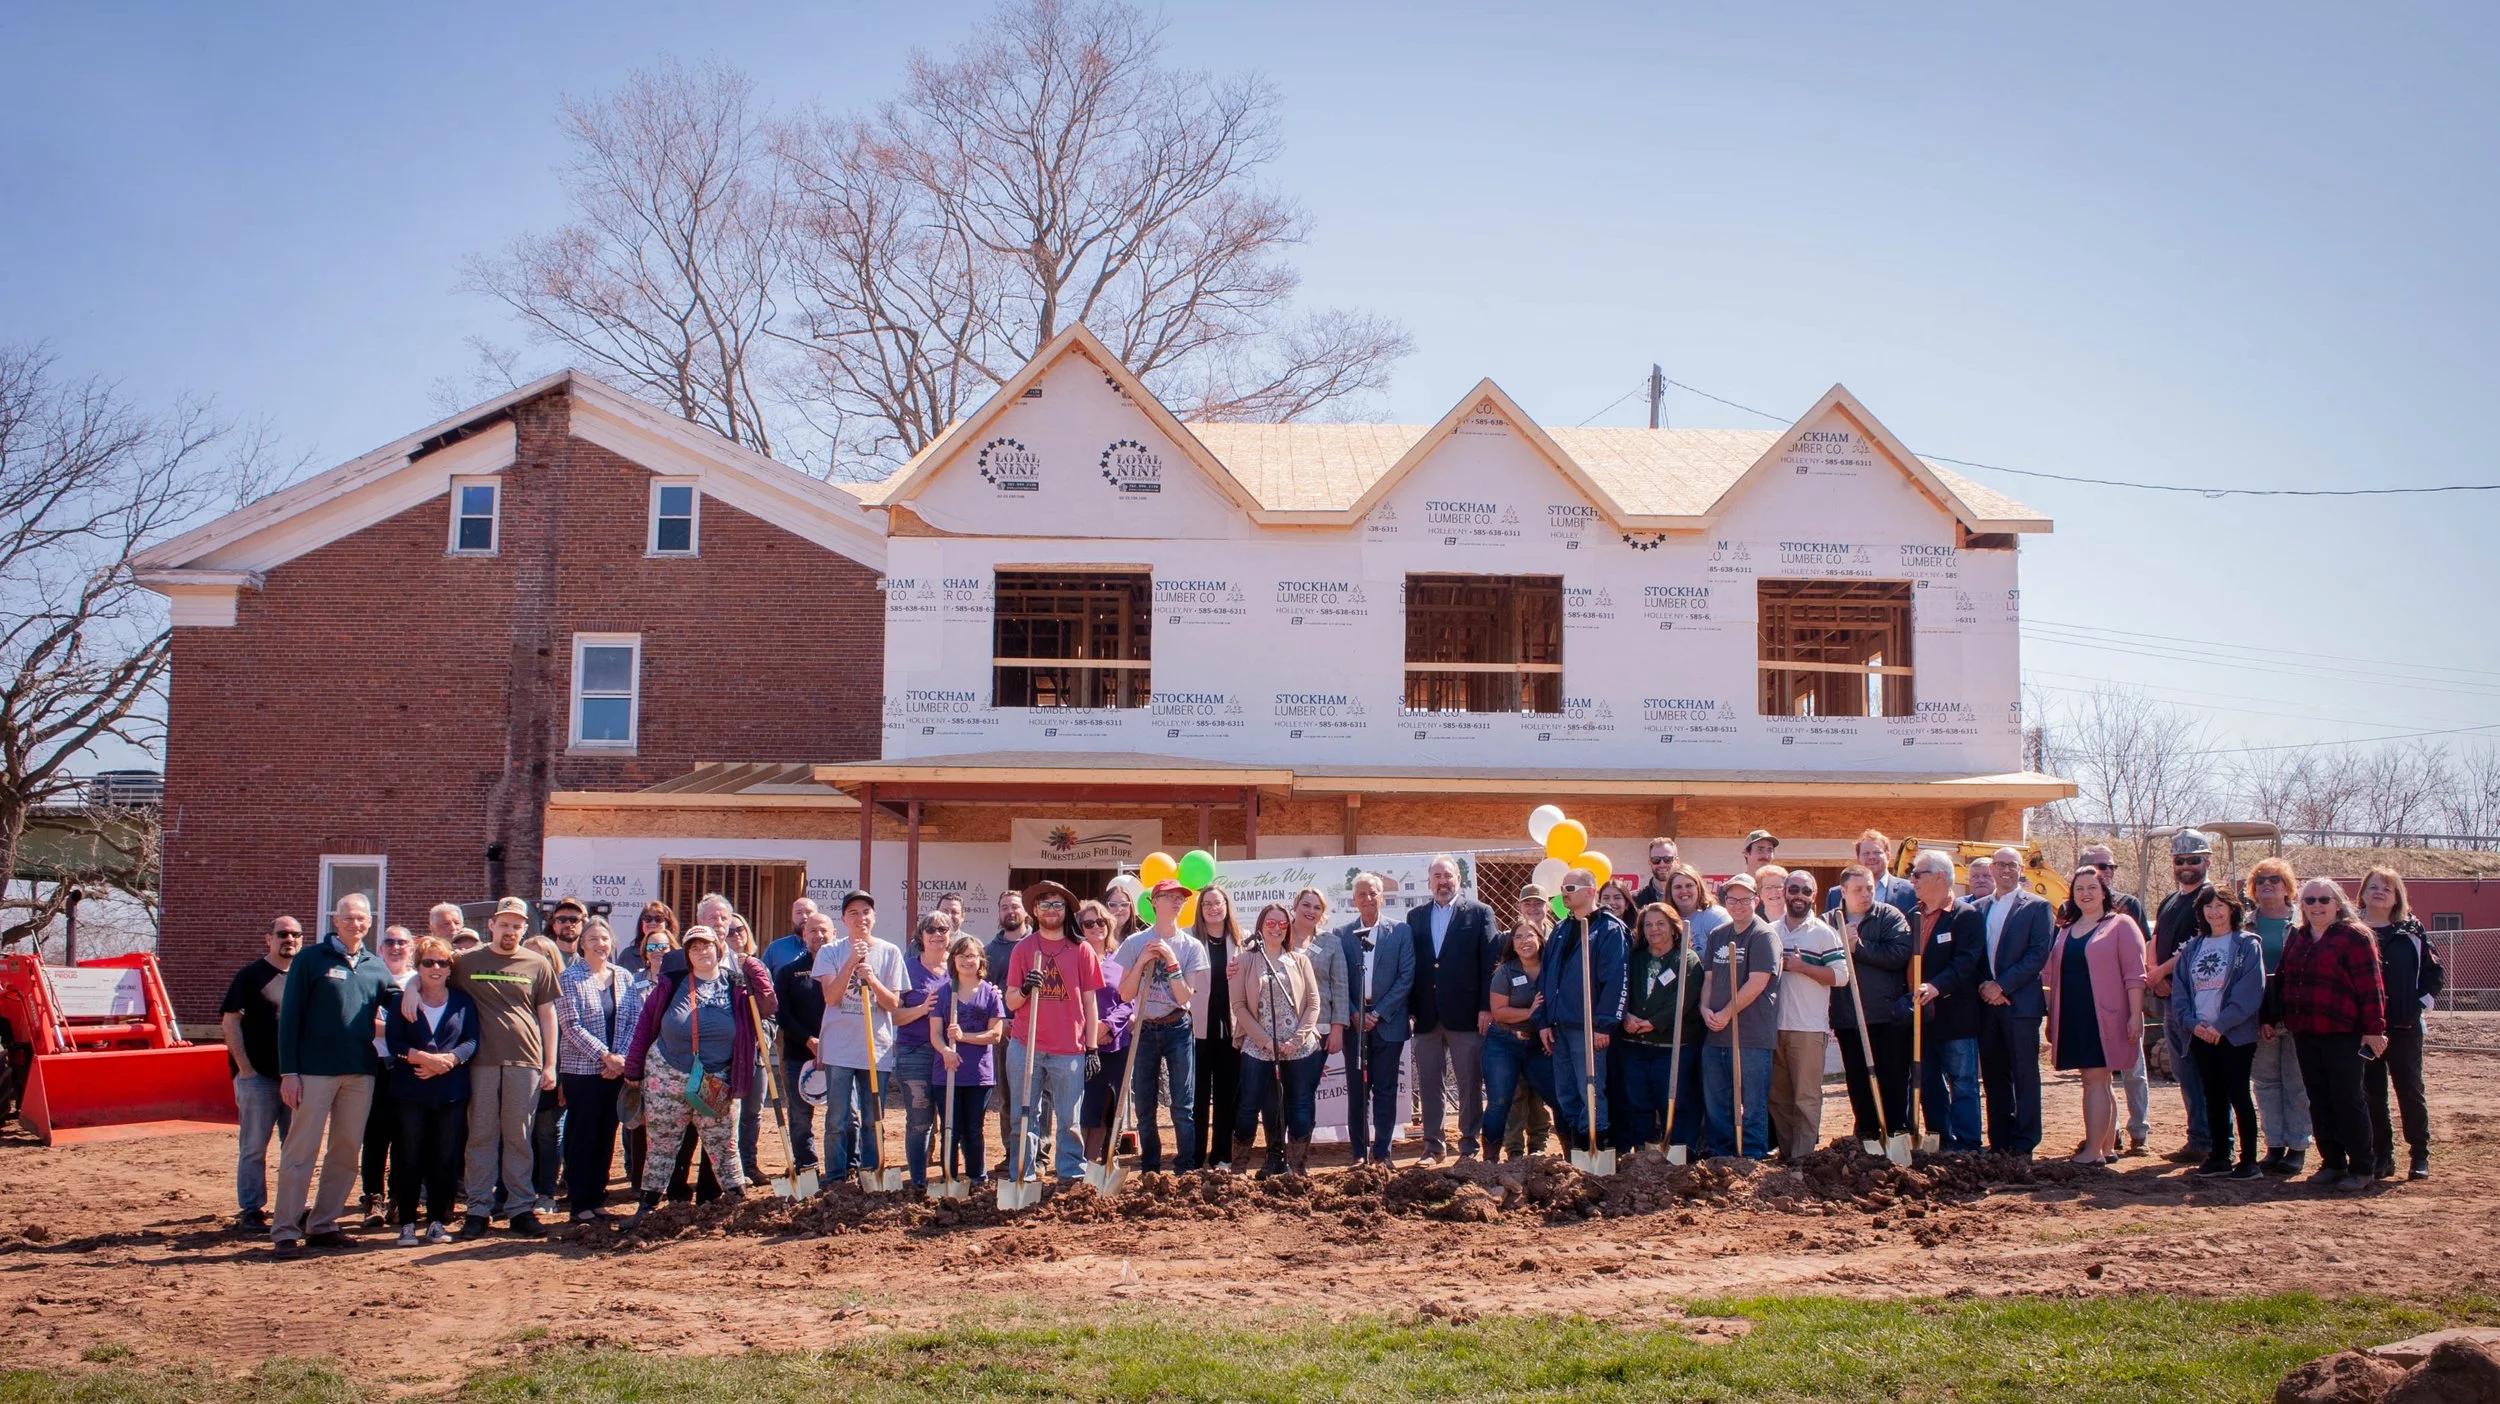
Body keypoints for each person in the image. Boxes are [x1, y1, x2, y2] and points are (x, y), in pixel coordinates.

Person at [269, 893, 391, 1257]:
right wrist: (289, 1071)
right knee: (301, 1151)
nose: (357, 924)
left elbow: (400, 1002)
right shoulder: (310, 960)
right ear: (335, 921)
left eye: (363, 918)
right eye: (349, 918)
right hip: (313, 1073)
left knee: (346, 1150)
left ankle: (323, 1225)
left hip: (359, 1073)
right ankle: (286, 1229)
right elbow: (289, 1018)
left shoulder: (375, 965)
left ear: (371, 922)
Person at [623, 926, 762, 1220]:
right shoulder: (671, 984)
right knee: (661, 1144)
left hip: (716, 1081)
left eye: (707, 946)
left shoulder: (736, 985)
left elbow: (769, 1006)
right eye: (694, 948)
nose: (702, 952)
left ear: (718, 948)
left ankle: (739, 1207)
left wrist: (755, 968)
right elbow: (645, 1027)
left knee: (725, 1145)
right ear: (686, 954)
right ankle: (647, 1207)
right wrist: (633, 1068)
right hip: (667, 1076)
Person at [448, 896, 560, 1238]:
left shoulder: (537, 963)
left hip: (525, 1061)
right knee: (481, 1136)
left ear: (525, 928)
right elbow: (429, 974)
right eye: (504, 924)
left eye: (516, 925)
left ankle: (520, 1208)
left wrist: (550, 1064)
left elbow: (547, 1014)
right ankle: (479, 1209)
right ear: (491, 925)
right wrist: (409, 990)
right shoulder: (465, 962)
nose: (509, 930)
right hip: (479, 1062)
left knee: (518, 1138)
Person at [2282, 878, 2389, 1193]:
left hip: (2344, 1032)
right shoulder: (2299, 936)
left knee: (2348, 1100)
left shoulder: (2354, 936)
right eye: (2310, 900)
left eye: (2323, 900)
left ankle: (2361, 1166)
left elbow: (2371, 986)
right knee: (2319, 1100)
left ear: (2338, 904)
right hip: (2306, 1031)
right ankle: (2332, 1162)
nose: (2316, 906)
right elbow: (2285, 979)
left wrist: (2375, 1029)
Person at [2043, 865, 2148, 1168]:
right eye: (2079, 889)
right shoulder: (2066, 929)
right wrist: (2052, 1017)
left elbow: (2135, 975)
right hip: (2074, 1014)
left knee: (2094, 1081)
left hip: (2106, 1016)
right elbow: (2051, 975)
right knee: (2100, 1082)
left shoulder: (2122, 925)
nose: (2085, 894)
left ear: (2104, 892)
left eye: (2092, 888)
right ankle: (2105, 1147)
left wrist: (2135, 1015)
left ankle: (2092, 1151)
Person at [1003, 880, 1103, 1183]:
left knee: (1069, 1120)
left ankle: (1071, 1174)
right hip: (1025, 1046)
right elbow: (1010, 1000)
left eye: (1057, 904)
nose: (1051, 910)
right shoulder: (1023, 949)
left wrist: (1092, 1047)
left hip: (1068, 1049)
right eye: (1044, 904)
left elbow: (1090, 1001)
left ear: (1066, 910)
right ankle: (1023, 1174)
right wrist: (1024, 989)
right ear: (1034, 910)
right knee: (1023, 1117)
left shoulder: (1081, 950)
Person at [2165, 885, 2268, 1179]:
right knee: (2213, 1095)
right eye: (2208, 907)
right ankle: (2220, 1155)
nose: (2214, 912)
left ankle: (2249, 1161)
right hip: (2199, 1034)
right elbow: (2180, 992)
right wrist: (2191, 1023)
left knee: (2238, 1093)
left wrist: (2220, 1025)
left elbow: (2250, 992)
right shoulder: (2194, 948)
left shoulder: (2247, 945)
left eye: (2220, 905)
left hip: (2234, 1035)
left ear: (2233, 910)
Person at [382, 934, 478, 1244]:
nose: (435, 968)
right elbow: (394, 1041)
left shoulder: (463, 1001)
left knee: (445, 1156)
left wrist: (448, 1061)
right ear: (418, 966)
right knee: (409, 1155)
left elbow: (472, 1041)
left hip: (450, 1091)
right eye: (428, 962)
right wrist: (420, 1057)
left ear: (451, 968)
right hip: (410, 1091)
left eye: (442, 962)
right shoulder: (402, 1000)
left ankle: (437, 1220)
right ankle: (407, 1222)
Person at [1115, 878, 1208, 1172]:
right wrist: (1142, 961)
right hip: (1144, 1028)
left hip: (1177, 1026)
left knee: (1183, 1105)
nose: (1177, 902)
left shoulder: (1191, 946)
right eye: (1170, 897)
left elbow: (1184, 997)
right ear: (1154, 902)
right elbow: (1125, 993)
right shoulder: (1134, 943)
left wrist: (1170, 961)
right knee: (1144, 1106)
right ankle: (1151, 1168)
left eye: (1181, 897)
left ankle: (1185, 1168)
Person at [1406, 854, 1495, 1163]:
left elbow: (1489, 965)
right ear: (1429, 882)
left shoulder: (1480, 913)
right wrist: (1410, 1009)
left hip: (1467, 1015)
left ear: (1460, 879)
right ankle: (1433, 1145)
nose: (1443, 882)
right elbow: (1412, 967)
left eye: (1448, 876)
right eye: (1437, 877)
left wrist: (1486, 1007)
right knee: (1430, 1082)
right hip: (1427, 1016)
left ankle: (1469, 1145)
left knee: (1470, 1082)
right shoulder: (1415, 916)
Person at [812, 891, 905, 1180]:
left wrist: (872, 979)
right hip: (839, 1049)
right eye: (853, 912)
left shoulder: (890, 952)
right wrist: (852, 961)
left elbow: (892, 1004)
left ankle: (871, 1173)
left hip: (875, 1050)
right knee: (837, 1119)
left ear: (874, 917)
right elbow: (831, 997)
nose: (860, 918)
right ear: (843, 919)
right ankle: (837, 1176)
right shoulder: (831, 952)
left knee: (872, 1118)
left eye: (866, 911)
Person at [1538, 867, 1628, 1157]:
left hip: (1588, 1027)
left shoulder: (1609, 929)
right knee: (1567, 1094)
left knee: (1590, 1091)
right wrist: (1543, 1020)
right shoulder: (1561, 930)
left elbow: (1616, 980)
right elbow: (1547, 977)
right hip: (1559, 1025)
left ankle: (1597, 1151)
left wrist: (1604, 1025)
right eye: (1563, 888)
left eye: (1571, 888)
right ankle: (1577, 1152)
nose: (1565, 893)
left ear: (1591, 892)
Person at [221, 915, 302, 1232]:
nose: (290, 939)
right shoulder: (250, 976)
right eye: (283, 934)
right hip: (259, 1079)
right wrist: (246, 1069)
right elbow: (230, 1022)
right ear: (268, 938)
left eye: (296, 934)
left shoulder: (303, 977)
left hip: (296, 1078)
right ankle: (252, 1209)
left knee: (295, 1146)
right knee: (254, 1146)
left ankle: (294, 1204)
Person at [2359, 867, 2441, 1181]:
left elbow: (2434, 973)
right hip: (2365, 1028)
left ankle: (2419, 1154)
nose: (2380, 892)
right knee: (2371, 1094)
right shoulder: (2352, 930)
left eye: (2387, 888)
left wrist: (2419, 1005)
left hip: (2404, 1028)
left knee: (2410, 1091)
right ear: (2363, 892)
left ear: (2397, 897)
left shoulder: (2411, 930)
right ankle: (2383, 1155)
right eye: (2374, 886)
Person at [1975, 846, 2055, 1162]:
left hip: (2020, 1004)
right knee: (1994, 1075)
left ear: (2020, 869)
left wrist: (2001, 985)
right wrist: (1985, 985)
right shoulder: (1979, 908)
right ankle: (2000, 1138)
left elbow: (2037, 954)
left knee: (2024, 1073)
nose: (2006, 870)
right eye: (2001, 865)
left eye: (2012, 865)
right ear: (1991, 869)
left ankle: (2025, 1139)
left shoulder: (2037, 907)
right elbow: (1975, 954)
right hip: (1987, 1004)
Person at [1232, 902, 1324, 1176]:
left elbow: (1313, 1003)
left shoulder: (1299, 960)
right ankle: (1238, 1170)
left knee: (1299, 1105)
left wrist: (1296, 1039)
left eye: (1282, 923)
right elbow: (1238, 1006)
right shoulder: (1245, 960)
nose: (1276, 928)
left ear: (1288, 928)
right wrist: (1263, 1041)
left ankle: (1296, 1169)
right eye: (1270, 922)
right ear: (1260, 926)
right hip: (1259, 1047)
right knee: (1249, 1106)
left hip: (1298, 1047)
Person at [554, 916, 634, 1221]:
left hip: (616, 1072)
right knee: (583, 1134)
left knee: (606, 1135)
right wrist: (606, 1057)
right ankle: (579, 1203)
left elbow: (633, 1022)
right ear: (581, 946)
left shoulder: (623, 977)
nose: (599, 944)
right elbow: (571, 1027)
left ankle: (598, 1198)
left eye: (604, 939)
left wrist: (620, 1058)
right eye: (592, 939)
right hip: (582, 1072)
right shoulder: (569, 978)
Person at [1905, 851, 1985, 1153]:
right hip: (1919, 1017)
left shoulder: (1965, 916)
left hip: (1955, 1015)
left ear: (1940, 876)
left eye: (1918, 873)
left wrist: (1937, 986)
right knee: (1928, 1081)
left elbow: (1966, 962)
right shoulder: (1912, 914)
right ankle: (1941, 1137)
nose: (1913, 879)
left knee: (1962, 1080)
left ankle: (1967, 1145)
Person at [1829, 865, 1914, 1146]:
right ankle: (1866, 1135)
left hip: (1886, 1016)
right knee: (1857, 1080)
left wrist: (1859, 948)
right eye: (1858, 889)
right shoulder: (1829, 921)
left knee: (1893, 1077)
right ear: (1843, 891)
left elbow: (1900, 954)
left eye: (1869, 888)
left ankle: (1896, 1134)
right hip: (1849, 1017)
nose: (1865, 894)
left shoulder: (1889, 916)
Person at [2077, 844, 2153, 1157]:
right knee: (2098, 1076)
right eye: (2099, 867)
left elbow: (2142, 954)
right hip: (2088, 1007)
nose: (2106, 872)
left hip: (2122, 1004)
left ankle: (2140, 1132)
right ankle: (2111, 1135)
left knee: (2132, 1070)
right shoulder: (2072, 912)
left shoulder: (2127, 908)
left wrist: (2135, 1008)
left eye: (2110, 868)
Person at [1331, 872, 1411, 1166]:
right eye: (1362, 894)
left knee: (1386, 1090)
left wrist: (1376, 1014)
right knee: (1357, 1091)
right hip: (1354, 1025)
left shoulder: (1400, 932)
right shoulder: (1342, 935)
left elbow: (1406, 977)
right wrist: (1355, 1012)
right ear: (1354, 900)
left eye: (1373, 893)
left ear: (1382, 896)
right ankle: (1358, 1153)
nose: (1368, 899)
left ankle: (1383, 1153)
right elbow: (1338, 980)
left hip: (1388, 1024)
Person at [2149, 829, 2218, 1163]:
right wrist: (2155, 975)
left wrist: (2163, 972)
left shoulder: (2212, 899)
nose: (2186, 866)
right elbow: (2157, 938)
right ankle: (2198, 1137)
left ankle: (2214, 1141)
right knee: (2184, 1070)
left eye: (2194, 860)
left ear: (2207, 861)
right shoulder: (2171, 900)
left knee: (2205, 1070)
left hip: (2199, 1000)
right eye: (2180, 860)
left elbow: (2201, 943)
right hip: (2170, 998)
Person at [1768, 870, 1847, 1162]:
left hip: (1808, 1028)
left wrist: (1803, 967)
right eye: (1794, 889)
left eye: (1805, 891)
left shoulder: (1824, 933)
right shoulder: (1771, 930)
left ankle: (1803, 1159)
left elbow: (1841, 976)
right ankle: (1787, 1156)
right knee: (1778, 1099)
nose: (1798, 895)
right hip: (1774, 1026)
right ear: (1784, 893)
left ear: (1813, 897)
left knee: (1806, 1098)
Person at [1700, 874, 1779, 1159]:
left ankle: (1752, 1157)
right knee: (1717, 1100)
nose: (1738, 905)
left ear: (1756, 902)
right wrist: (1706, 1010)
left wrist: (1725, 1013)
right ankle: (1722, 1156)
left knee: (1753, 1102)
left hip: (1751, 1036)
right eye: (1732, 900)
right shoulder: (1718, 934)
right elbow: (1708, 980)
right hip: (1716, 1034)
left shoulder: (1764, 935)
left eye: (1745, 900)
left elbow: (1757, 983)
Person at [2243, 857, 2312, 1175]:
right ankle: (2274, 1145)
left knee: (2296, 1083)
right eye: (2260, 880)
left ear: (2288, 887)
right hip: (2259, 1016)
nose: (2267, 884)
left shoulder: (2304, 923)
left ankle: (2297, 1146)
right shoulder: (2244, 925)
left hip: (2297, 1014)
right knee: (2266, 1083)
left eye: (2274, 879)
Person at [1619, 902, 1702, 1154]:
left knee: (1675, 1102)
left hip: (1672, 1046)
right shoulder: (1635, 959)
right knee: (1637, 1101)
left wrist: (1653, 1022)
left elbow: (1683, 999)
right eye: (1648, 925)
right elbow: (1620, 990)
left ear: (1674, 928)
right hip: (1634, 1045)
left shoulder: (1687, 959)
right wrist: (1625, 1016)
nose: (1654, 929)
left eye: (1660, 924)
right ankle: (1643, 1153)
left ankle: (1679, 1152)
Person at [890, 909, 960, 1190]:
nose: (937, 935)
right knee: (920, 1120)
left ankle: (948, 1177)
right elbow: (894, 1015)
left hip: (949, 1054)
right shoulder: (906, 967)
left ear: (951, 935)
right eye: (930, 930)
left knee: (950, 1120)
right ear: (921, 936)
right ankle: (918, 1181)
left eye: (943, 929)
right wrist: (923, 1008)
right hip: (915, 1053)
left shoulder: (958, 968)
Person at [1479, 915, 1555, 1163]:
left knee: (1555, 1097)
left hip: (1539, 1043)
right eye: (1518, 937)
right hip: (1504, 1042)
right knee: (1500, 1101)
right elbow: (1499, 1012)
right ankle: (1490, 1160)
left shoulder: (1553, 968)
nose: (1524, 941)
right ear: (1511, 943)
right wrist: (1530, 1012)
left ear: (1540, 939)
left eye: (1530, 935)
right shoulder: (1505, 972)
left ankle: (1566, 1152)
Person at [934, 934, 1005, 1186]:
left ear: (980, 960)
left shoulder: (990, 994)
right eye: (962, 955)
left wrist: (964, 1037)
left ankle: (977, 1177)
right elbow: (935, 1034)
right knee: (950, 1130)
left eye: (972, 956)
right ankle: (949, 1177)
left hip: (978, 1074)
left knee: (973, 1130)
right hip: (947, 1072)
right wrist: (946, 1051)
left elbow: (995, 1035)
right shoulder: (944, 993)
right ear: (954, 959)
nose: (967, 960)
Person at [358, 925, 417, 1227]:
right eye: (389, 942)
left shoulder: (417, 981)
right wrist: (397, 1028)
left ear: (412, 948)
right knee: (375, 1134)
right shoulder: (369, 977)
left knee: (404, 1134)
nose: (396, 947)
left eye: (402, 943)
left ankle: (398, 1195)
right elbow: (360, 1020)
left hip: (406, 1064)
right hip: (374, 1063)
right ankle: (372, 1198)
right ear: (379, 948)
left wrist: (388, 1028)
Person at [772, 910, 832, 1179]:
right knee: (799, 1116)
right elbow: (782, 1014)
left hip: (839, 1055)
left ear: (834, 934)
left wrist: (829, 1044)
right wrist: (809, 1040)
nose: (819, 935)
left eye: (824, 930)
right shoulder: (789, 972)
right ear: (804, 935)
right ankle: (807, 1167)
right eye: (813, 931)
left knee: (846, 1115)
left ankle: (843, 1168)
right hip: (798, 1054)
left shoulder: (845, 970)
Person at [1074, 900, 1134, 1168]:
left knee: (1115, 1102)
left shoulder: (1119, 961)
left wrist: (1107, 1025)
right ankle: (1088, 1161)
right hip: (1083, 1045)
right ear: (1080, 928)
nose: (1095, 927)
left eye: (1100, 922)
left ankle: (1111, 1159)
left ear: (1108, 925)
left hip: (1117, 1044)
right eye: (1088, 923)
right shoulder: (1073, 960)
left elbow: (1128, 1000)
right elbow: (1071, 1002)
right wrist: (1091, 1032)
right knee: (1090, 1105)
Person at [1190, 885, 1246, 1172]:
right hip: (1196, 1031)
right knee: (1198, 1097)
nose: (1213, 908)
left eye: (1218, 903)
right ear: (1200, 910)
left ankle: (1222, 1156)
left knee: (1228, 1096)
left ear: (1227, 906)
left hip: (1231, 1030)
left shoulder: (1242, 940)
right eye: (1207, 904)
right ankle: (1195, 1157)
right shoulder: (1189, 939)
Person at [1502, 888, 1558, 1159]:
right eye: (1528, 904)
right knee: (1516, 1091)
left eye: (1539, 903)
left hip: (1551, 1030)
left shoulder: (1559, 936)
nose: (1533, 908)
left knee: (1542, 1091)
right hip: (1518, 1031)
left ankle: (1539, 1144)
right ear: (1520, 907)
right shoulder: (1509, 938)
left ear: (1547, 906)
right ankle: (1513, 1149)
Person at [618, 924, 672, 1192]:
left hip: (672, 1061)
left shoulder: (680, 980)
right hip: (642, 1060)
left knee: (670, 1123)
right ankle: (638, 1180)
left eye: (664, 946)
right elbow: (627, 1020)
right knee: (639, 1122)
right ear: (644, 952)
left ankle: (668, 1181)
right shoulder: (633, 981)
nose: (659, 951)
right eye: (652, 947)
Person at [985, 888, 1032, 1172]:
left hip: (1039, 1032)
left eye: (1015, 906)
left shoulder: (1039, 944)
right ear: (999, 913)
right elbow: (988, 994)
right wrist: (1001, 1022)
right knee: (1007, 1096)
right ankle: (1011, 1150)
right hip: (1005, 1034)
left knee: (1040, 1096)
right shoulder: (989, 952)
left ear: (1025, 911)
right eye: (1004, 907)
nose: (1010, 911)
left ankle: (1038, 1153)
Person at [1824, 830, 1917, 916]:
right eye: (1866, 853)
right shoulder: (1836, 894)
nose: (1871, 857)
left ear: (1888, 856)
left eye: (1877, 852)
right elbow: (1828, 930)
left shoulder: (1910, 891)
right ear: (1858, 858)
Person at [761, 897, 820, 977]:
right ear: (792, 916)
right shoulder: (775, 948)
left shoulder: (830, 948)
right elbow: (761, 979)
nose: (804, 916)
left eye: (808, 912)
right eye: (798, 913)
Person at [1631, 838, 1680, 909]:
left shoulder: (1685, 897)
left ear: (1677, 861)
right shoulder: (1634, 900)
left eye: (1667, 859)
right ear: (1650, 862)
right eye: (1656, 859)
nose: (1662, 864)